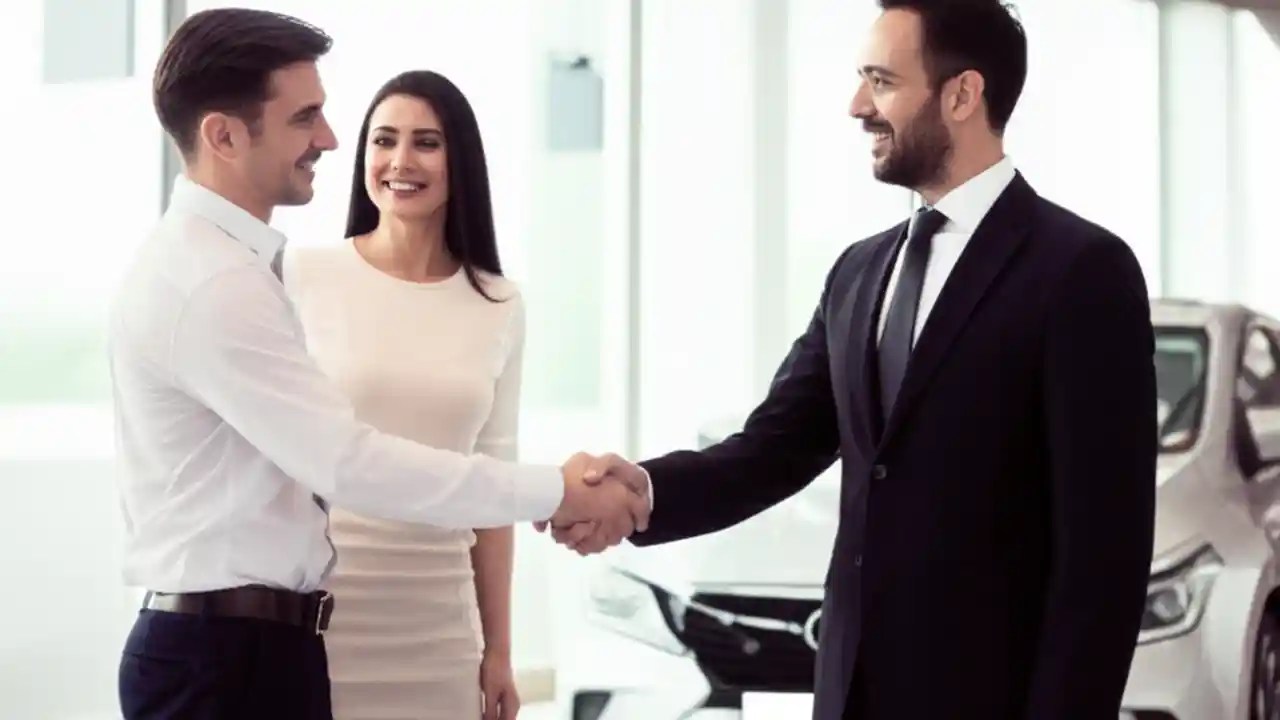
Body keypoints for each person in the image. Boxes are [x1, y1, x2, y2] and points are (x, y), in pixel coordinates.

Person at [549, 2, 1157, 719]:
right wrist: (642, 491)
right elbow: (772, 449)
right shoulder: (858, 274)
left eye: (881, 81)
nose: (856, 106)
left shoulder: (1081, 270)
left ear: (962, 95)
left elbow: (1103, 556)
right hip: (850, 692)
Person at [110, 10, 645, 720]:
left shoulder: (234, 268)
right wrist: (560, 492)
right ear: (225, 135)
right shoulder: (218, 283)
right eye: (306, 118)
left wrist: (498, 645)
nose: (329, 140)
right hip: (231, 655)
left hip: (275, 643)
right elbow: (349, 464)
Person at [281, 70, 527, 720]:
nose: (400, 161)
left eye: (426, 143)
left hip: (441, 629)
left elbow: (494, 491)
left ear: (460, 161)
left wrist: (499, 651)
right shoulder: (304, 275)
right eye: (383, 140)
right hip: (323, 616)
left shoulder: (498, 302)